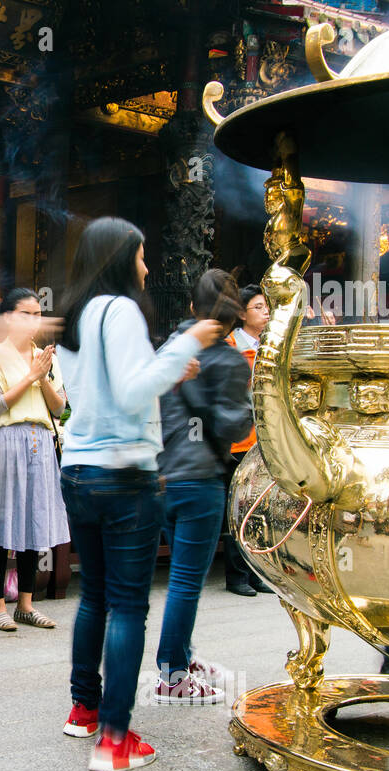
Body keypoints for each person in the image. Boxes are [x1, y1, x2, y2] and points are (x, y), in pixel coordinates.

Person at [55, 216, 221, 771]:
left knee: (94, 597)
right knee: (127, 606)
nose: (147, 267)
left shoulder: (76, 315)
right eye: (142, 256)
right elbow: (129, 393)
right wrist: (185, 344)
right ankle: (115, 740)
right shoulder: (120, 310)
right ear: (120, 258)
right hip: (124, 477)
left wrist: (165, 367)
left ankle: (84, 709)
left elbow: (98, 392)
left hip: (78, 471)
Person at [153, 269, 255, 705]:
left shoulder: (168, 347)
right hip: (200, 478)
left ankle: (180, 657)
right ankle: (172, 674)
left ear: (193, 308)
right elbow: (235, 424)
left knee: (180, 576)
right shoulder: (229, 360)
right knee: (186, 582)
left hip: (161, 475)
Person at [0, 287, 70, 632]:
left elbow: (61, 408)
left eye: (38, 313)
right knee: (1, 524)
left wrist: (42, 376)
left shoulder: (47, 357)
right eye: (26, 313)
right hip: (7, 441)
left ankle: (27, 604)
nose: (34, 320)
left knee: (35, 521)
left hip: (41, 442)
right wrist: (30, 376)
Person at [222, 285, 274, 598]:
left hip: (264, 438)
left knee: (259, 508)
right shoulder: (231, 347)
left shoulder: (269, 346)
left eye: (267, 307)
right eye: (258, 307)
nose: (265, 312)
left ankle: (257, 573)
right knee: (237, 508)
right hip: (239, 441)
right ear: (242, 314)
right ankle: (236, 575)